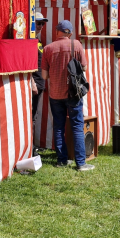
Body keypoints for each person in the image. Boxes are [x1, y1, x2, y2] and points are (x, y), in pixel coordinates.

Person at [41, 20, 94, 171]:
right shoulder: (76, 44)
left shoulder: (47, 49)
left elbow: (44, 76)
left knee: (58, 127)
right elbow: (83, 66)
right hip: (73, 93)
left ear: (57, 31)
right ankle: (81, 163)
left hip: (55, 94)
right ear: (69, 33)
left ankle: (62, 160)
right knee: (77, 126)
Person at [31, 13, 48, 156]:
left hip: (40, 82)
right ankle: (29, 147)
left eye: (42, 24)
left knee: (34, 115)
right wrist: (32, 82)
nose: (40, 26)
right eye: (38, 23)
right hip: (34, 83)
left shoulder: (37, 40)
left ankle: (33, 145)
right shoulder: (30, 40)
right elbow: (28, 65)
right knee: (31, 116)